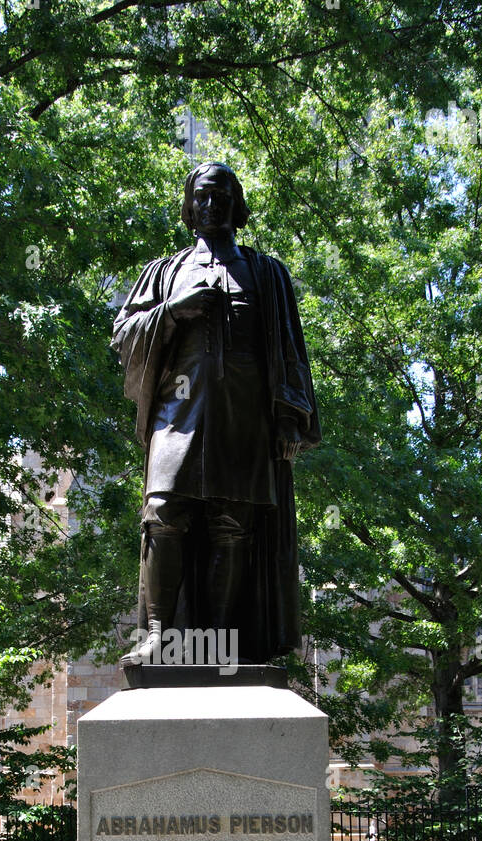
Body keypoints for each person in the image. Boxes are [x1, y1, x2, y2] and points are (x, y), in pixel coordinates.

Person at [112, 161, 321, 666]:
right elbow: (123, 336)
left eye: (222, 196)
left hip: (243, 415)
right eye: (202, 196)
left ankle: (223, 645)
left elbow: (290, 349)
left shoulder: (266, 272)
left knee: (232, 523)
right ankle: (160, 638)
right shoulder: (165, 272)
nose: (211, 205)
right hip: (178, 412)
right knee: (163, 512)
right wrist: (173, 309)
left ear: (237, 206)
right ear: (189, 206)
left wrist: (291, 417)